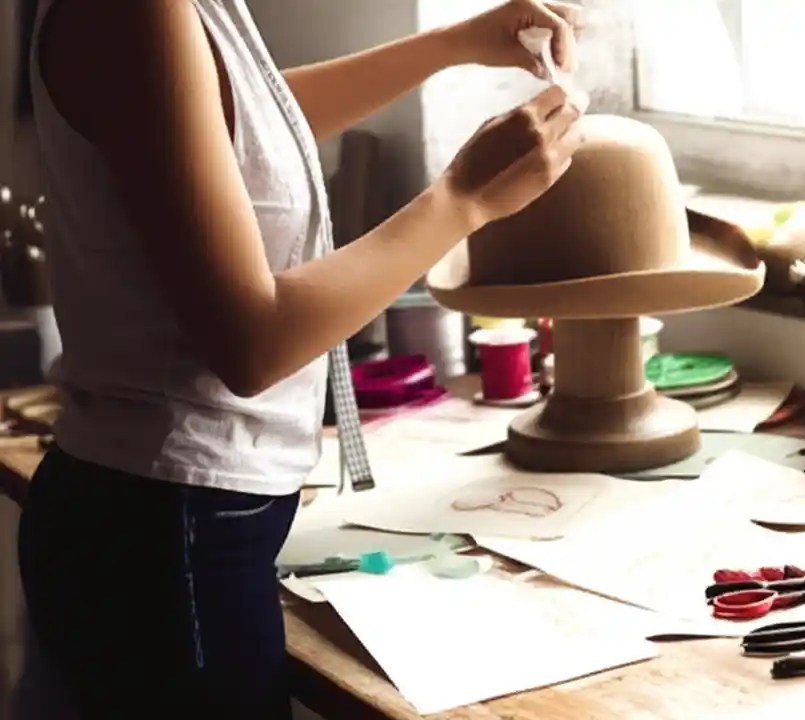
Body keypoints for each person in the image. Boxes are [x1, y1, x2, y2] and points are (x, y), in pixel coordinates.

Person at [12, 0, 585, 717]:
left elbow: (237, 131)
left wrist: (449, 44)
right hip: (165, 536)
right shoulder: (133, 14)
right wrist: (464, 200)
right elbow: (252, 343)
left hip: (155, 518)